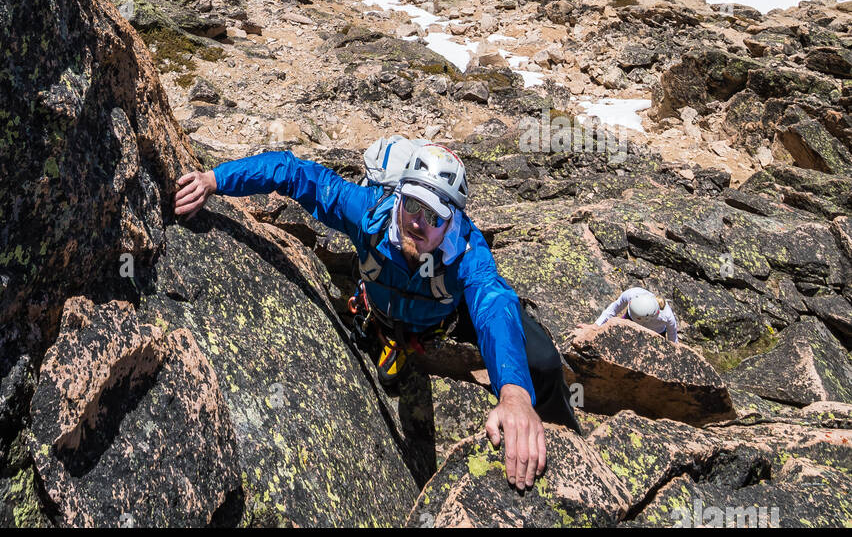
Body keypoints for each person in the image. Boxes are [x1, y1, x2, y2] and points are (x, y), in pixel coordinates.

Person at [175, 141, 577, 491]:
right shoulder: (367, 212)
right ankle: (389, 340)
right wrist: (214, 180)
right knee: (388, 374)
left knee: (541, 361)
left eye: (434, 216)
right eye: (413, 206)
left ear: (451, 225)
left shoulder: (467, 256)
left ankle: (565, 440)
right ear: (399, 196)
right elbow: (293, 173)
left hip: (447, 313)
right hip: (384, 310)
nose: (418, 223)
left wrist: (514, 395)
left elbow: (493, 305)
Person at [595, 288, 679, 343]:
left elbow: (673, 337)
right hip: (629, 320)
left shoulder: (667, 316)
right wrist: (596, 326)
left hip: (656, 332)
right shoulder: (632, 294)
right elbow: (613, 309)